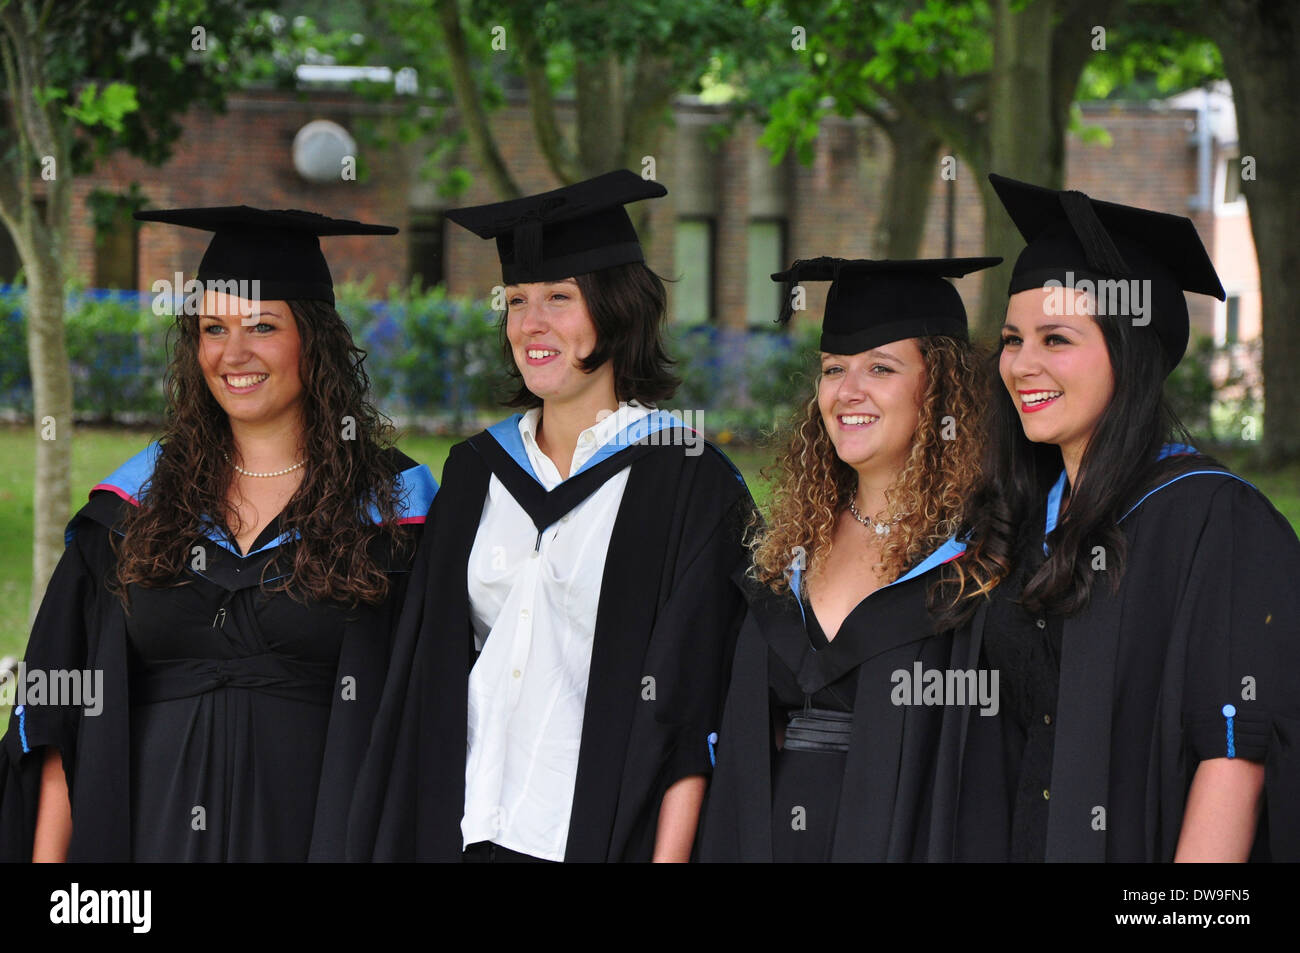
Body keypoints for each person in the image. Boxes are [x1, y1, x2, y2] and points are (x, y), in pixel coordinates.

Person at [0, 207, 436, 861]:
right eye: (213, 327)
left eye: (262, 325)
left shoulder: (395, 513)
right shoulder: (132, 507)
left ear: (312, 341)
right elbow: (59, 716)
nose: (234, 354)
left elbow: (429, 724)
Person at [347, 170, 754, 862]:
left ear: (616, 309)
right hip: (469, 826)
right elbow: (428, 673)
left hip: (600, 836)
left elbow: (693, 704)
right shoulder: (476, 471)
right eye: (516, 301)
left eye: (560, 299)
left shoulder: (689, 482)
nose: (531, 324)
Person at [929, 174, 1300, 862]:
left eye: (1056, 339)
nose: (1022, 365)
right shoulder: (1013, 524)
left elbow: (1234, 755)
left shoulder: (1214, 520)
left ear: (1130, 355)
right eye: (1012, 339)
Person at [697, 256, 998, 862]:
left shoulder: (978, 560)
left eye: (881, 368)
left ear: (941, 391)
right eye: (834, 369)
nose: (848, 391)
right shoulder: (783, 555)